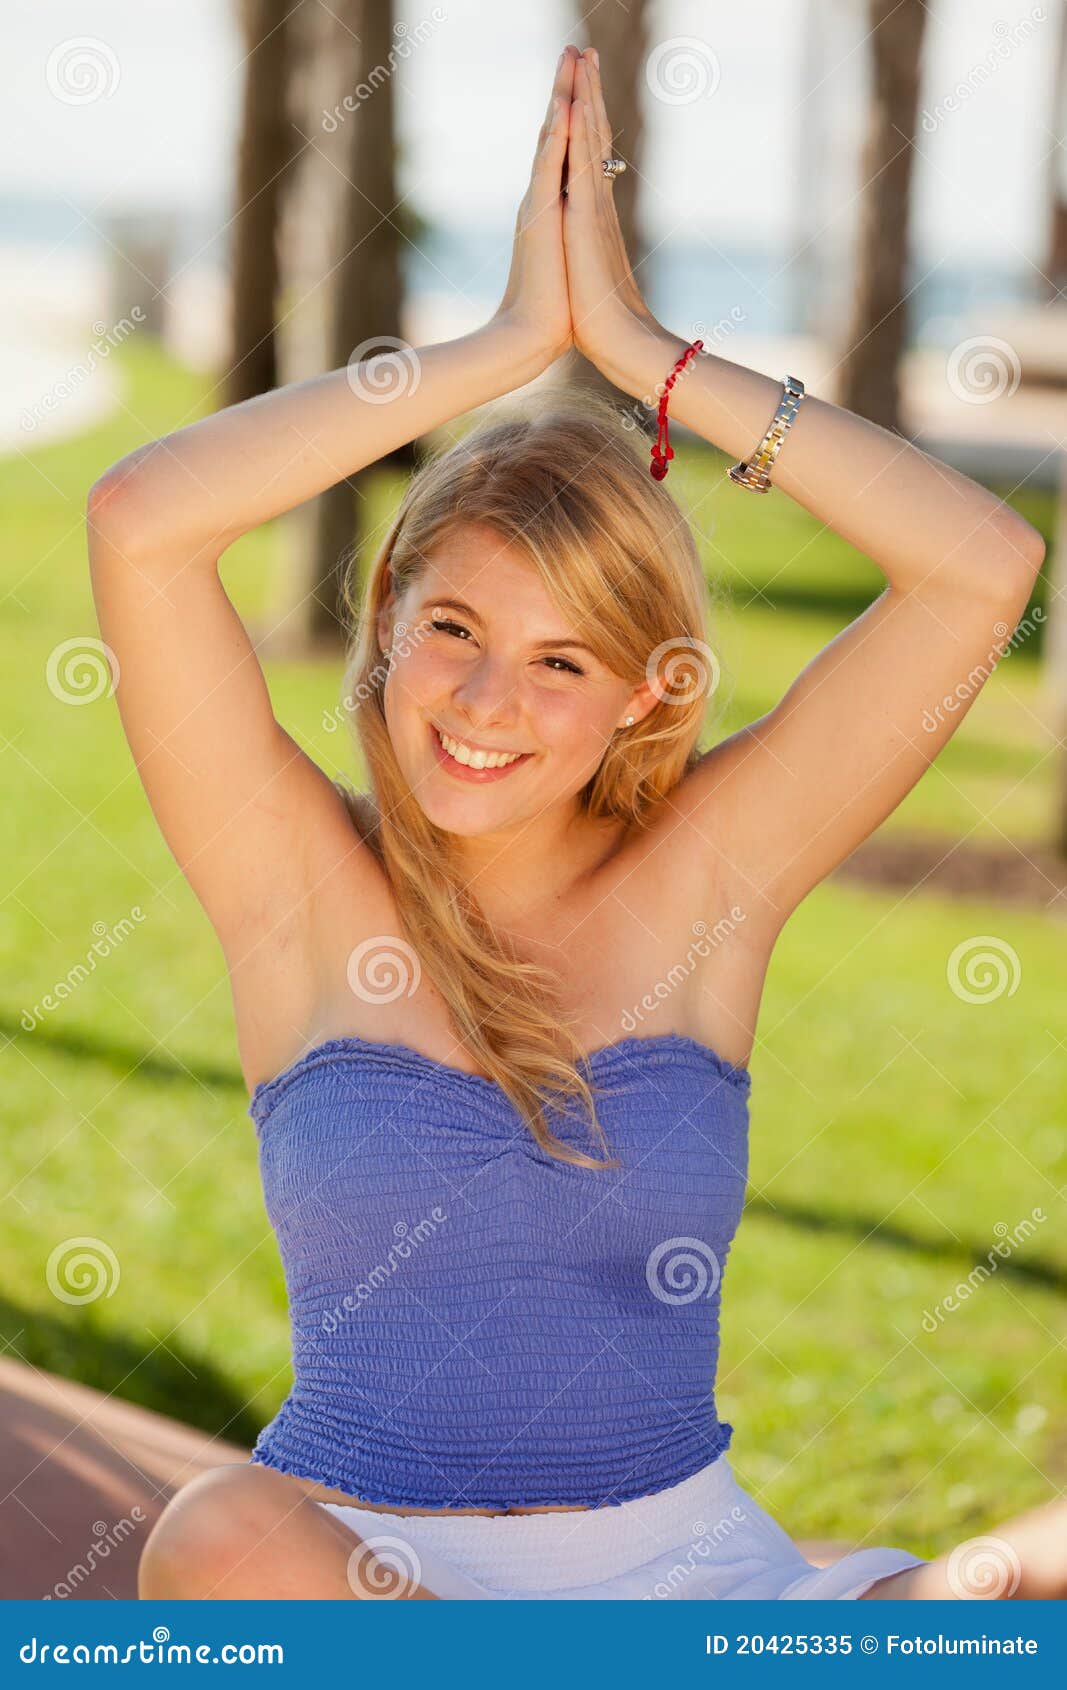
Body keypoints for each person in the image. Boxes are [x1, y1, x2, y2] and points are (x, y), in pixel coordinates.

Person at [88, 45, 1060, 1601]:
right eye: (455, 626)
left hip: (697, 1582)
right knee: (219, 1533)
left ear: (640, 699)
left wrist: (642, 352)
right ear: (385, 620)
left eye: (562, 663)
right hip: (376, 1581)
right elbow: (141, 524)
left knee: (1037, 1573)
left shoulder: (711, 876)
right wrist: (490, 353)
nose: (486, 702)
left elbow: (980, 570)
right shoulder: (299, 886)